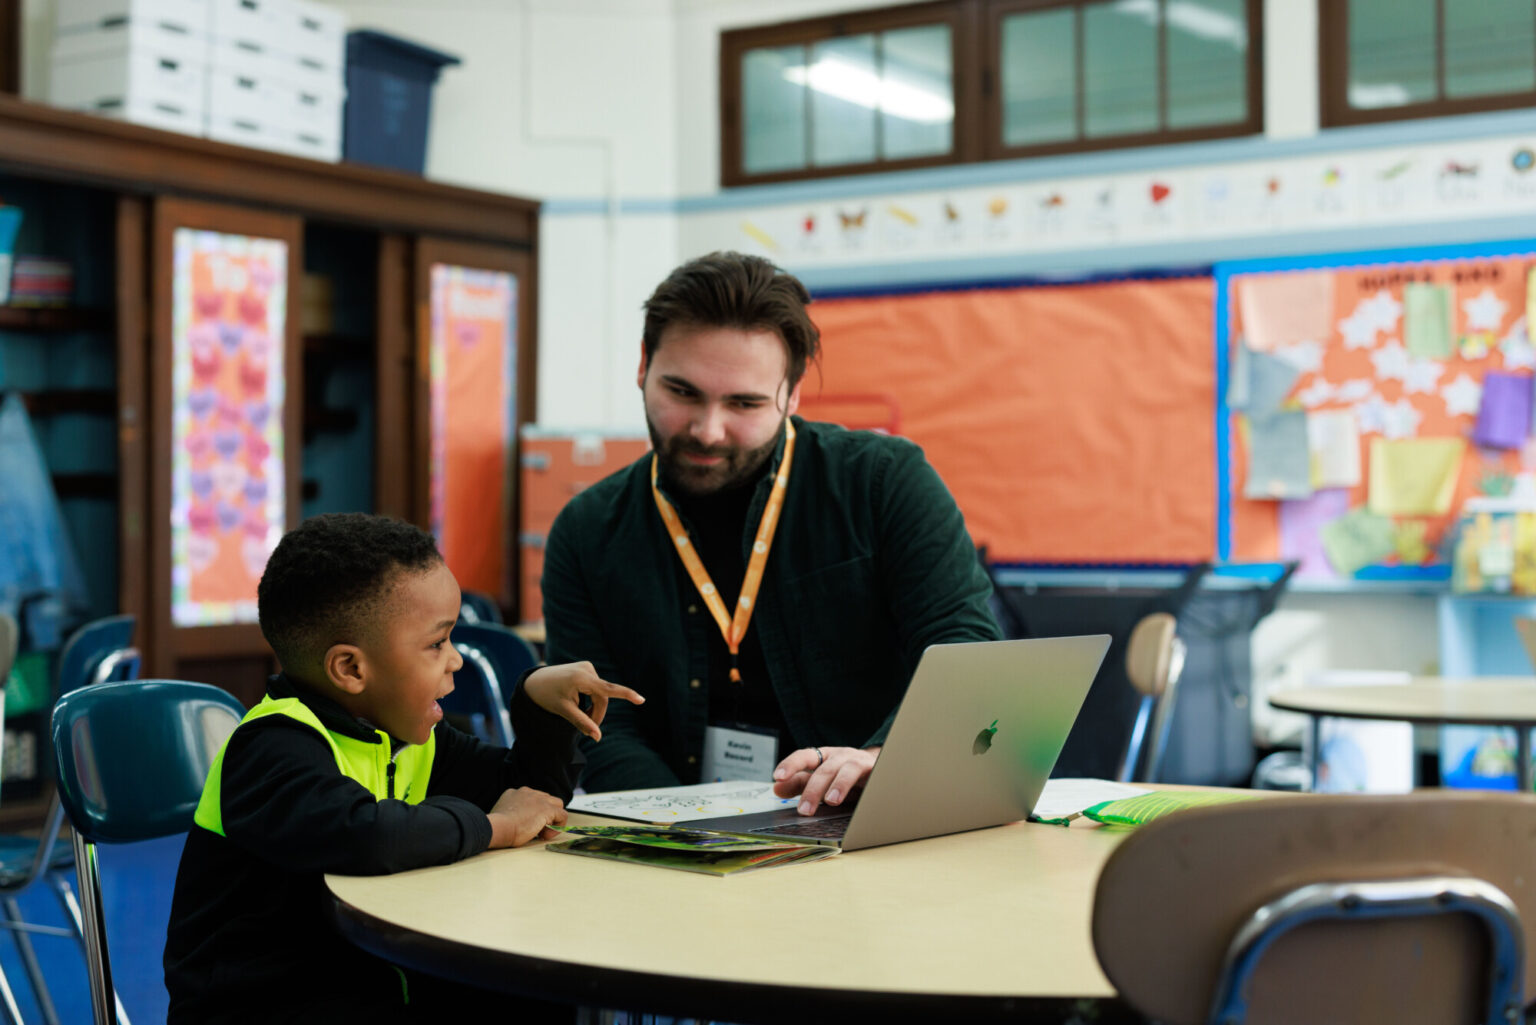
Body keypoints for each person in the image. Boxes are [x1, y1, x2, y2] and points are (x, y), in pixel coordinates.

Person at [543, 251, 999, 814]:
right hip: (674, 843)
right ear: (643, 365)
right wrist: (693, 830)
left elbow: (964, 647)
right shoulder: (586, 531)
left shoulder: (884, 482)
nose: (708, 431)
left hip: (863, 826)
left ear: (794, 391)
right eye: (682, 393)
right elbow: (603, 726)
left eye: (745, 403)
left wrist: (887, 753)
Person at [163, 513, 642, 1024]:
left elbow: (530, 799)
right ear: (351, 669)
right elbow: (370, 835)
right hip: (267, 1007)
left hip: (376, 986)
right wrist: (494, 827)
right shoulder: (270, 748)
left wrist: (538, 705)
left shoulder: (404, 736)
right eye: (437, 644)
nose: (455, 660)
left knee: (537, 1000)